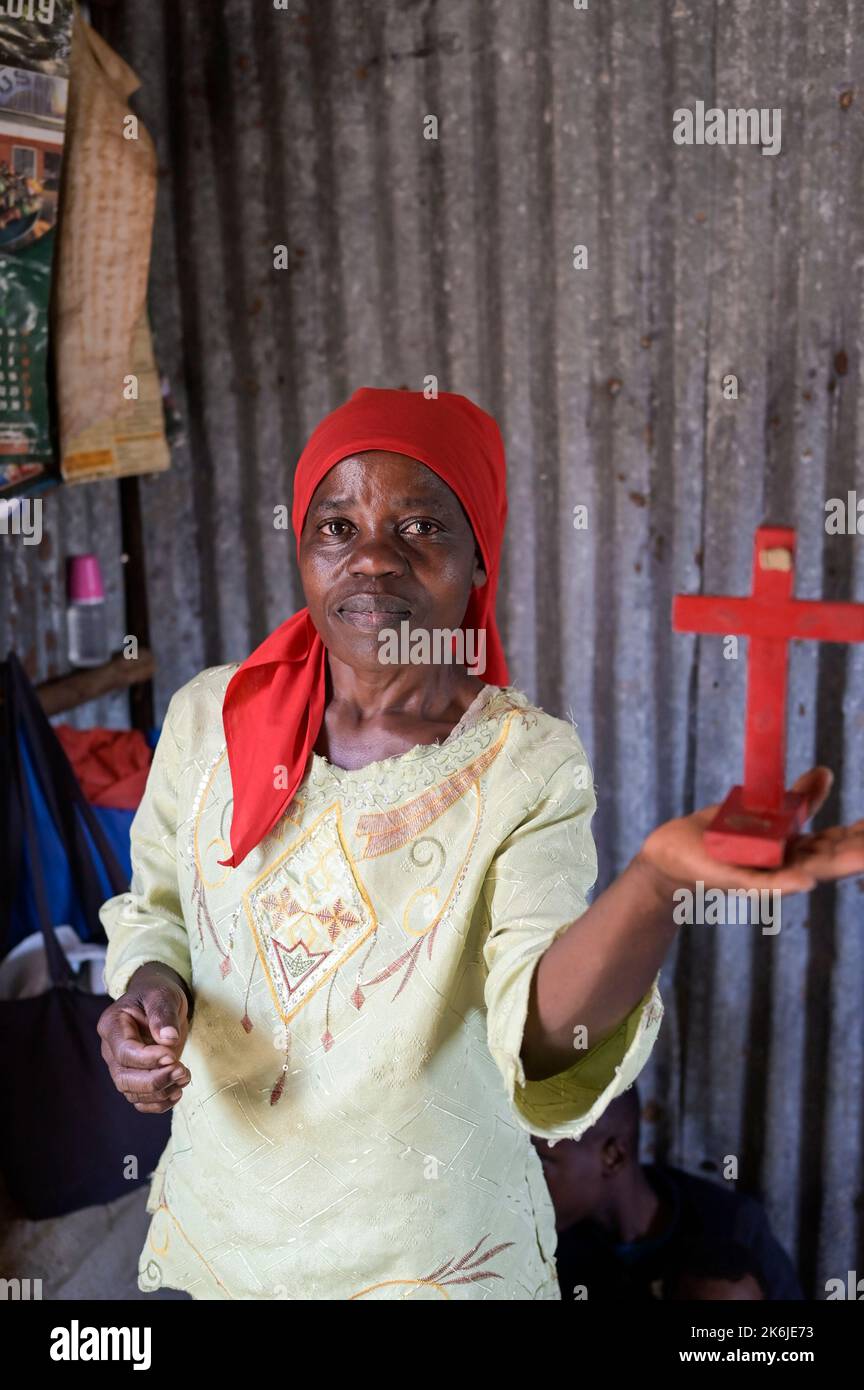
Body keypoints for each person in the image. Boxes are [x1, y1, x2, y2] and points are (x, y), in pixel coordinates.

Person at [97, 387, 864, 1301]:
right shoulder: (208, 722)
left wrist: (655, 883)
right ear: (302, 553)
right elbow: (156, 914)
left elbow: (543, 1036)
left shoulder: (523, 764)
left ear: (476, 564)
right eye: (336, 527)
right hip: (231, 1243)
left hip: (434, 1266)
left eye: (420, 526)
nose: (372, 559)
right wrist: (145, 1004)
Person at [535, 1087, 803, 1300]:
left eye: (541, 1162)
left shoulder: (732, 1225)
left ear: (613, 1156)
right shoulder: (545, 1245)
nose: (525, 1181)